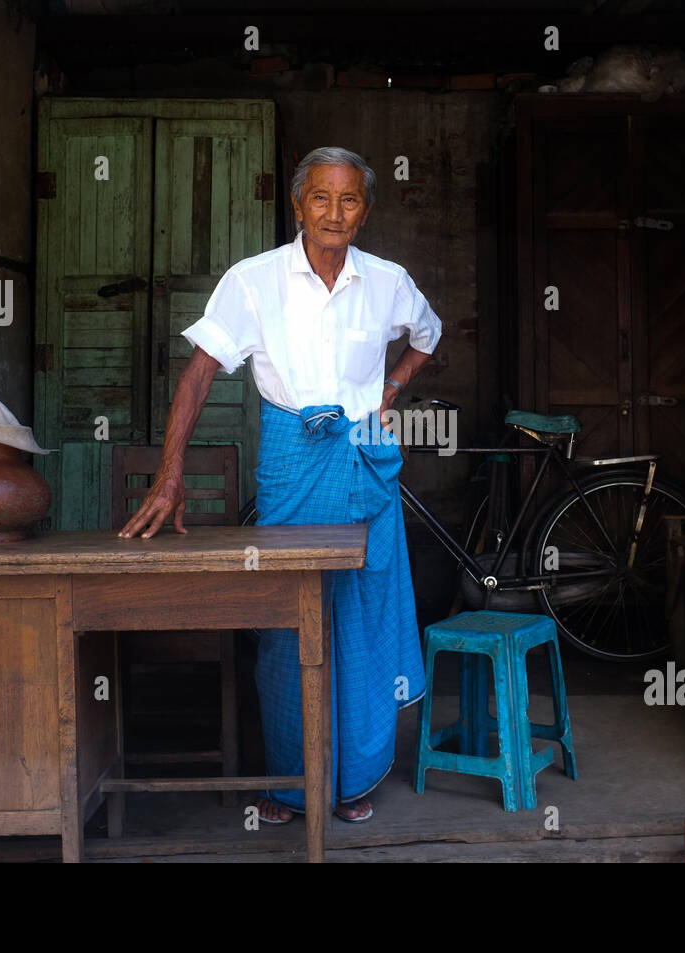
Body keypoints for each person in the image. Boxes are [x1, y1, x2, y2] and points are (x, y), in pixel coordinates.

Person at [117, 146, 442, 824]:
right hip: (293, 460)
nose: (333, 212)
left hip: (365, 454)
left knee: (358, 612)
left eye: (348, 199)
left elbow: (427, 337)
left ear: (365, 210)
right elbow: (199, 372)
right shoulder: (253, 280)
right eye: (319, 198)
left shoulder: (387, 281)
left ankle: (350, 781)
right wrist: (169, 473)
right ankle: (292, 784)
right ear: (298, 205)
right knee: (288, 619)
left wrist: (391, 387)